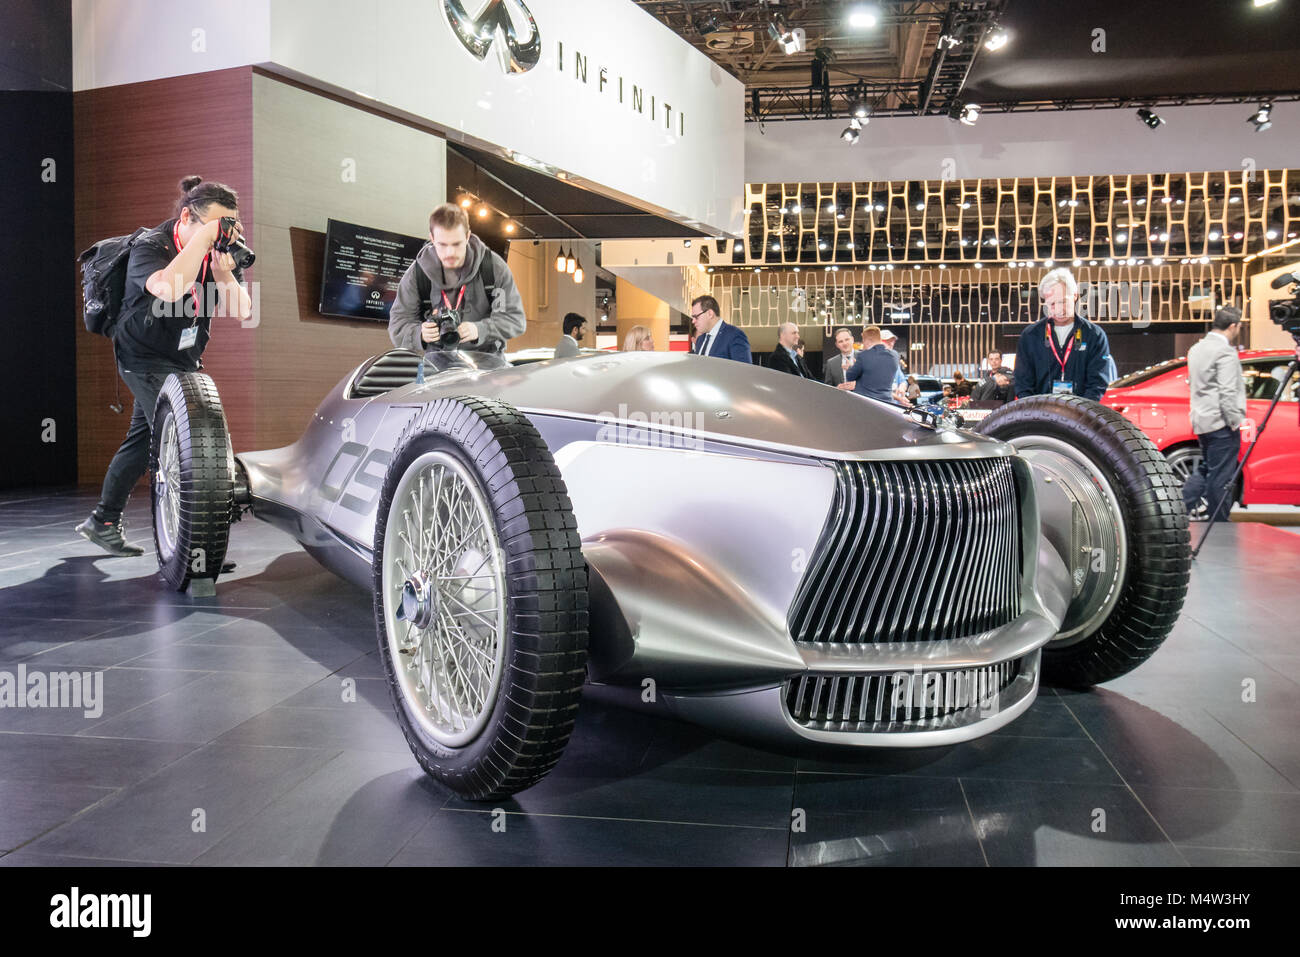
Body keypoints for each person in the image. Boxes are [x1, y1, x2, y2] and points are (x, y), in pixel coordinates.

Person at [76, 176, 252, 557]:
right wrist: (203, 241)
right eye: (214, 226)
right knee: (186, 442)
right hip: (140, 355)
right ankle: (193, 548)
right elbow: (169, 289)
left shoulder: (218, 254)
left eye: (228, 226)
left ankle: (102, 522)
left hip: (181, 359)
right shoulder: (152, 245)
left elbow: (242, 309)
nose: (222, 236)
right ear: (187, 216)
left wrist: (222, 272)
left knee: (143, 443)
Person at [388, 203, 525, 354]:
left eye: (456, 244)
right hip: (437, 369)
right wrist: (419, 334)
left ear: (467, 236)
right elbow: (398, 324)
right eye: (443, 244)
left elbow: (514, 319)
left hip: (487, 367)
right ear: (432, 239)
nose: (450, 253)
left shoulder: (493, 268)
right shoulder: (417, 274)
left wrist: (480, 330)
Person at [1182, 307, 1247, 522]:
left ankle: (1179, 510)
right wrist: (1235, 421)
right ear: (1233, 326)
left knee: (1207, 469)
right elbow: (1228, 392)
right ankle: (1219, 522)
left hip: (1202, 420)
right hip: (1221, 422)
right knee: (1221, 476)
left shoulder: (1196, 349)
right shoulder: (1225, 352)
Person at [1014, 267, 1112, 400]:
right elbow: (1023, 383)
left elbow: (1097, 383)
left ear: (1075, 296)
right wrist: (1035, 411)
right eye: (1052, 304)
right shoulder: (1030, 336)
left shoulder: (1094, 335)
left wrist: (1080, 411)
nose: (1059, 309)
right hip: (1040, 414)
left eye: (1063, 301)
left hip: (1081, 414)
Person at [837, 325, 899, 404]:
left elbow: (850, 377)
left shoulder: (864, 355)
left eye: (863, 341)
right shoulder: (895, 355)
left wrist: (850, 368)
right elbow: (877, 374)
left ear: (867, 341)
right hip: (887, 403)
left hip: (867, 404)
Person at [690, 295, 751, 363]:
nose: (693, 321)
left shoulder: (734, 335)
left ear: (710, 313)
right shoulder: (700, 340)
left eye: (696, 317)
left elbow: (744, 370)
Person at [880, 328, 909, 402]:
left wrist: (902, 387)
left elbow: (903, 381)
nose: (891, 344)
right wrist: (899, 399)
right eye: (887, 341)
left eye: (892, 342)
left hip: (894, 407)